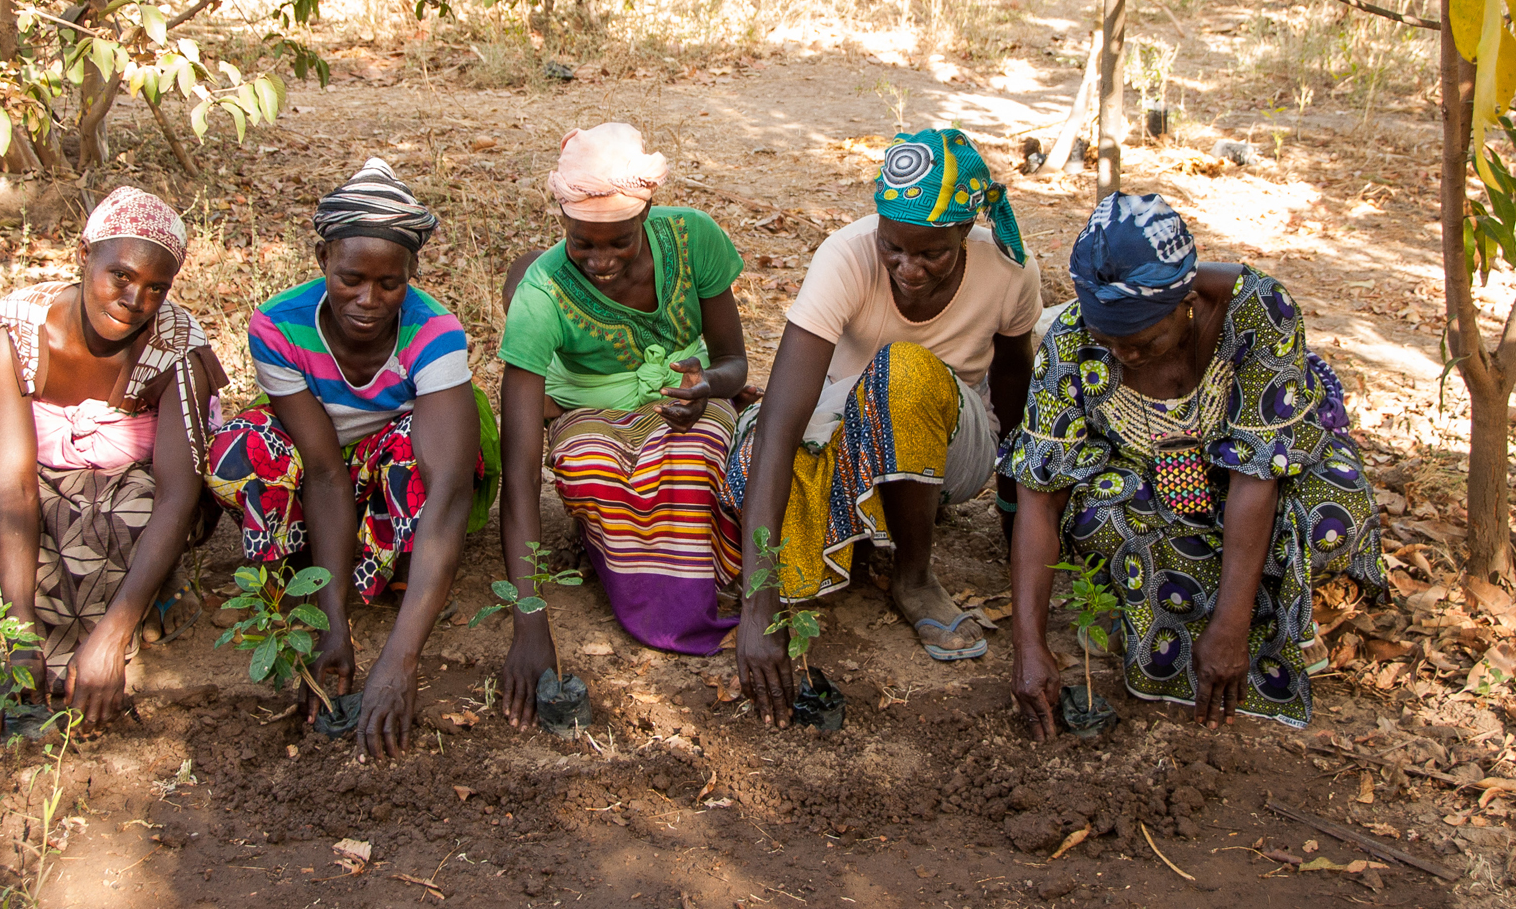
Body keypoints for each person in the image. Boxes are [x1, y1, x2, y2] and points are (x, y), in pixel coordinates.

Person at [1003, 192, 1388, 736]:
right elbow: (1039, 496)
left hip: (1261, 475)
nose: (1123, 356)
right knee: (1097, 517)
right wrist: (1029, 645)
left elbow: (1257, 477)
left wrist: (1229, 630)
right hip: (1148, 485)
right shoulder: (1068, 343)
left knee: (1332, 517)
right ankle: (1141, 605)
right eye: (1106, 341)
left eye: (1143, 340)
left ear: (1185, 300)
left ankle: (1279, 614)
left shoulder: (1257, 311)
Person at [732, 128, 1041, 725]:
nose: (908, 268)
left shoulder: (1009, 271)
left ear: (965, 232)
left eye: (932, 253)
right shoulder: (845, 257)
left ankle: (914, 574)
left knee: (905, 369)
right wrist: (757, 601)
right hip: (852, 427)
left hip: (955, 448)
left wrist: (1016, 519)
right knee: (751, 455)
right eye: (893, 247)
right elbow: (782, 420)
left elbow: (1016, 408)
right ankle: (844, 547)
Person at [205, 158, 494, 759]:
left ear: (411, 274)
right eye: (350, 279)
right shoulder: (279, 325)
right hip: (328, 471)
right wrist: (329, 618)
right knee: (241, 447)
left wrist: (400, 657)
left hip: (393, 462)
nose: (368, 299)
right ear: (322, 264)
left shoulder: (433, 331)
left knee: (427, 458)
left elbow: (448, 492)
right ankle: (311, 574)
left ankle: (387, 573)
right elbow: (325, 472)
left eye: (390, 284)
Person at [0, 187, 226, 740]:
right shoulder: (13, 332)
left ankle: (100, 657)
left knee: (117, 524)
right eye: (121, 276)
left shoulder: (177, 347)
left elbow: (178, 496)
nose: (136, 299)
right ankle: (20, 661)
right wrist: (16, 630)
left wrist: (111, 635)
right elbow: (13, 483)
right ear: (83, 254)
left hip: (131, 485)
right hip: (37, 477)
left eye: (156, 287)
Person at [496, 123, 751, 729]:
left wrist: (705, 386)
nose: (601, 261)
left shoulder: (694, 240)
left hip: (685, 393)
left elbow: (733, 362)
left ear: (649, 216)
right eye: (583, 243)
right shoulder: (543, 293)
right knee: (588, 462)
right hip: (589, 405)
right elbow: (519, 460)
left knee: (694, 458)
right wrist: (530, 622)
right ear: (562, 222)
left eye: (619, 243)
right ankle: (614, 546)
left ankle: (657, 570)